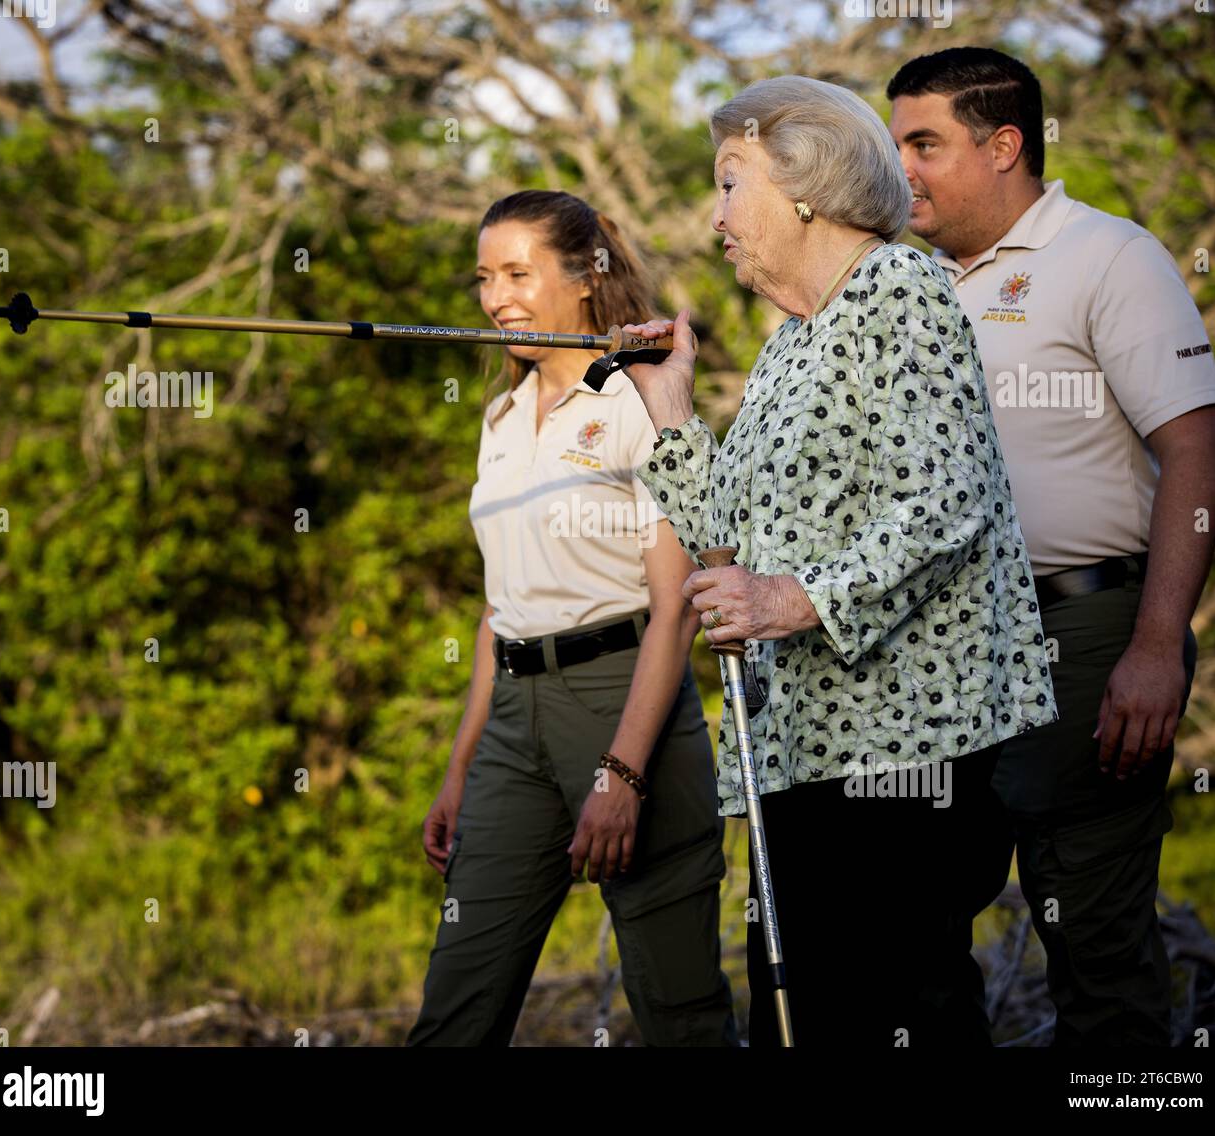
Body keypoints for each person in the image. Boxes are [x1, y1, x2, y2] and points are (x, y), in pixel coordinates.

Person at [622, 76, 1057, 1048]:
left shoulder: (900, 291)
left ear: (806, 187)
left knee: (902, 1005)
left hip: (903, 750)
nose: (715, 212)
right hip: (803, 745)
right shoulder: (790, 345)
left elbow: (947, 496)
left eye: (731, 182)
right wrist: (671, 409)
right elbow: (721, 537)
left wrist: (799, 597)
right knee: (806, 1014)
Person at [887, 46, 1215, 1046]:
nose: (899, 165)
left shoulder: (1109, 255)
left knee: (1094, 944)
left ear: (1004, 146)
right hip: (938, 650)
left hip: (1085, 634)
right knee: (911, 935)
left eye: (924, 142)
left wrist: (1158, 643)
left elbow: (1197, 452)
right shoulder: (902, 285)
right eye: (893, 141)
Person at [406, 190, 737, 1047]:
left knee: (681, 1015)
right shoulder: (502, 416)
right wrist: (460, 768)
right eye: (485, 277)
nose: (495, 297)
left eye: (518, 273)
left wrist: (622, 777)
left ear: (585, 280)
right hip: (514, 726)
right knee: (454, 1013)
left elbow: (676, 611)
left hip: (626, 702)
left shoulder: (638, 401)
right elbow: (496, 610)